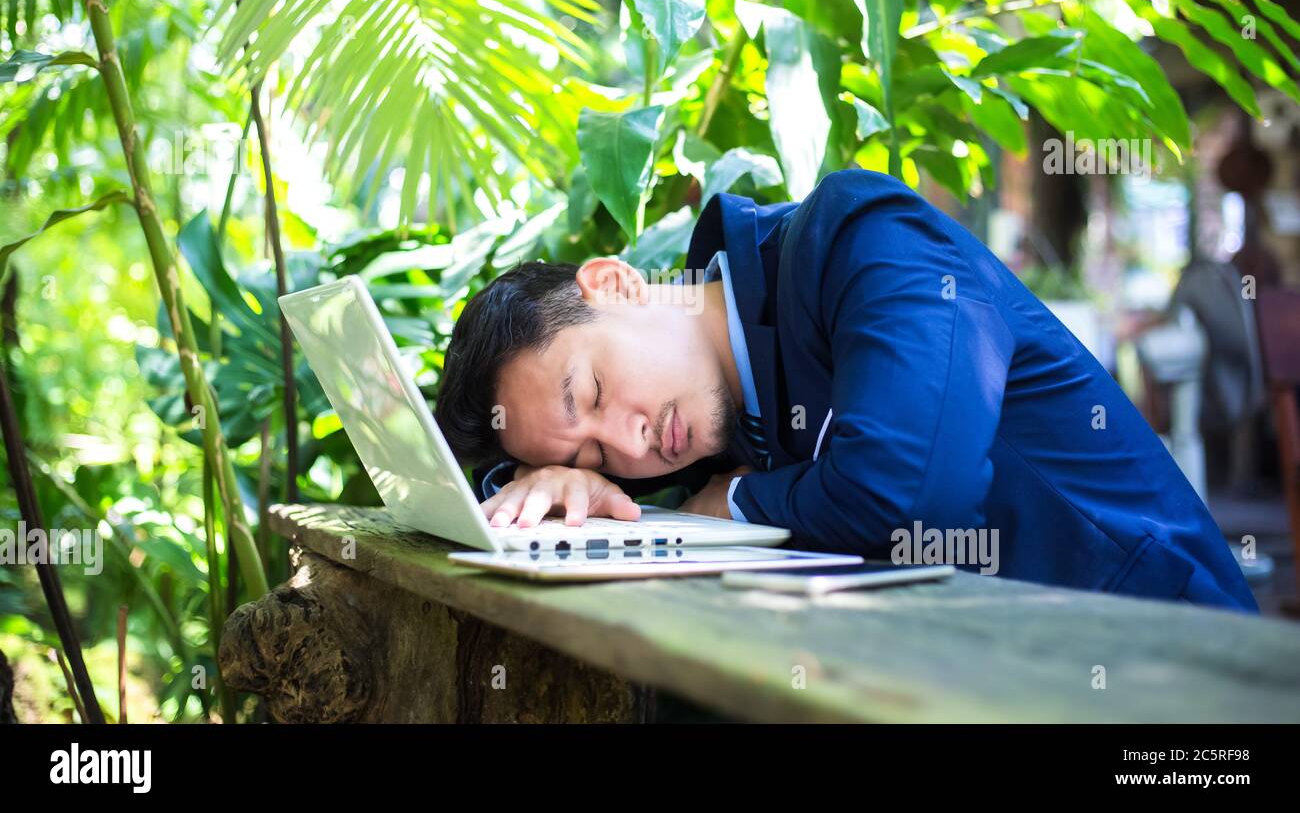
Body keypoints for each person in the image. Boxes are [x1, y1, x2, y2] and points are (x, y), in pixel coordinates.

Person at [435, 168, 1258, 612]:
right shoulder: (725, 429)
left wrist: (743, 505)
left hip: (1174, 663)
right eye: (591, 452)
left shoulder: (861, 239)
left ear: (616, 283)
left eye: (595, 394)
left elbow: (909, 492)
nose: (629, 441)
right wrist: (543, 485)